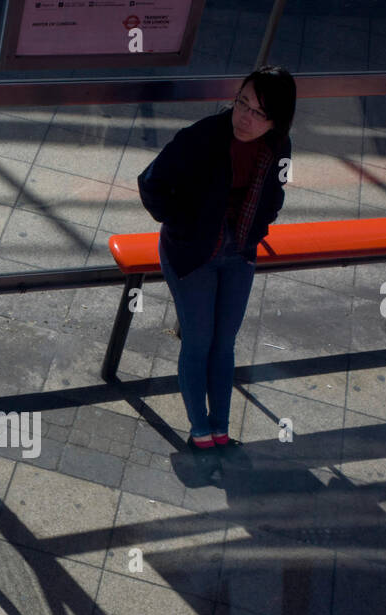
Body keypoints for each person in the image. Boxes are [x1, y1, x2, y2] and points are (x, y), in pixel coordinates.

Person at [138, 66, 296, 450]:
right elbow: (151, 183)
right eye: (242, 102)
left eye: (259, 112)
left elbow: (275, 193)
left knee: (224, 341)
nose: (245, 117)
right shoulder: (201, 137)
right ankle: (200, 430)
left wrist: (259, 225)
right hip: (193, 251)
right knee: (198, 340)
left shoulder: (278, 146)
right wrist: (183, 223)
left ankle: (221, 427)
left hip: (239, 250)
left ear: (276, 120)